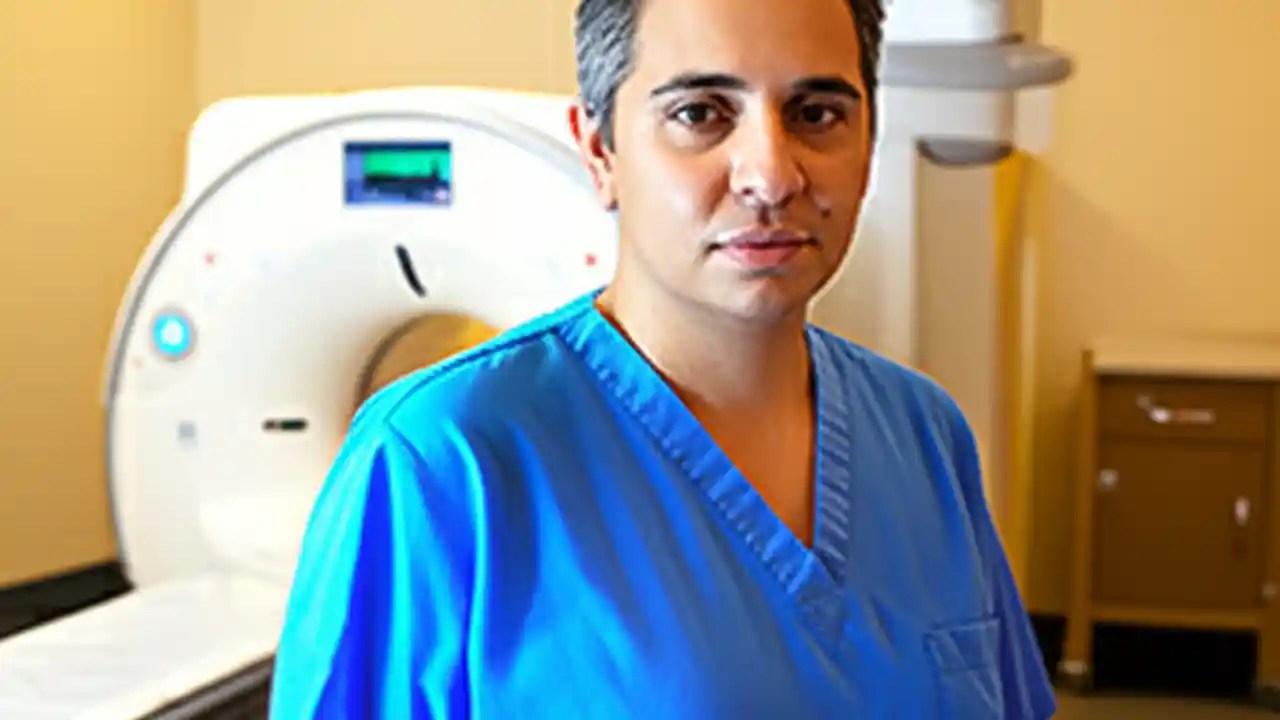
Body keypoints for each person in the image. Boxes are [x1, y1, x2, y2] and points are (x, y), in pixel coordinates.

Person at [269, 0, 1057, 717]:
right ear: (600, 151)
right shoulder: (442, 461)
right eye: (700, 113)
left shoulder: (924, 435)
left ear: (869, 143)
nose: (772, 175)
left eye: (817, 113)